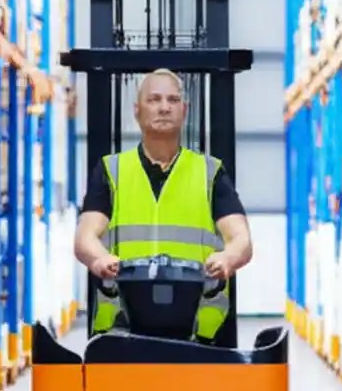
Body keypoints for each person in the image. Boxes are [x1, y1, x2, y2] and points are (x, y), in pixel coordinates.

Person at [74, 69, 253, 344]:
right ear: (137, 111)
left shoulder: (209, 172)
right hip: (121, 330)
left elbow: (241, 238)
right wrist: (99, 259)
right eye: (154, 99)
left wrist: (228, 257)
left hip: (199, 332)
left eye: (173, 100)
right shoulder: (112, 170)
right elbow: (85, 236)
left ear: (185, 110)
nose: (164, 107)